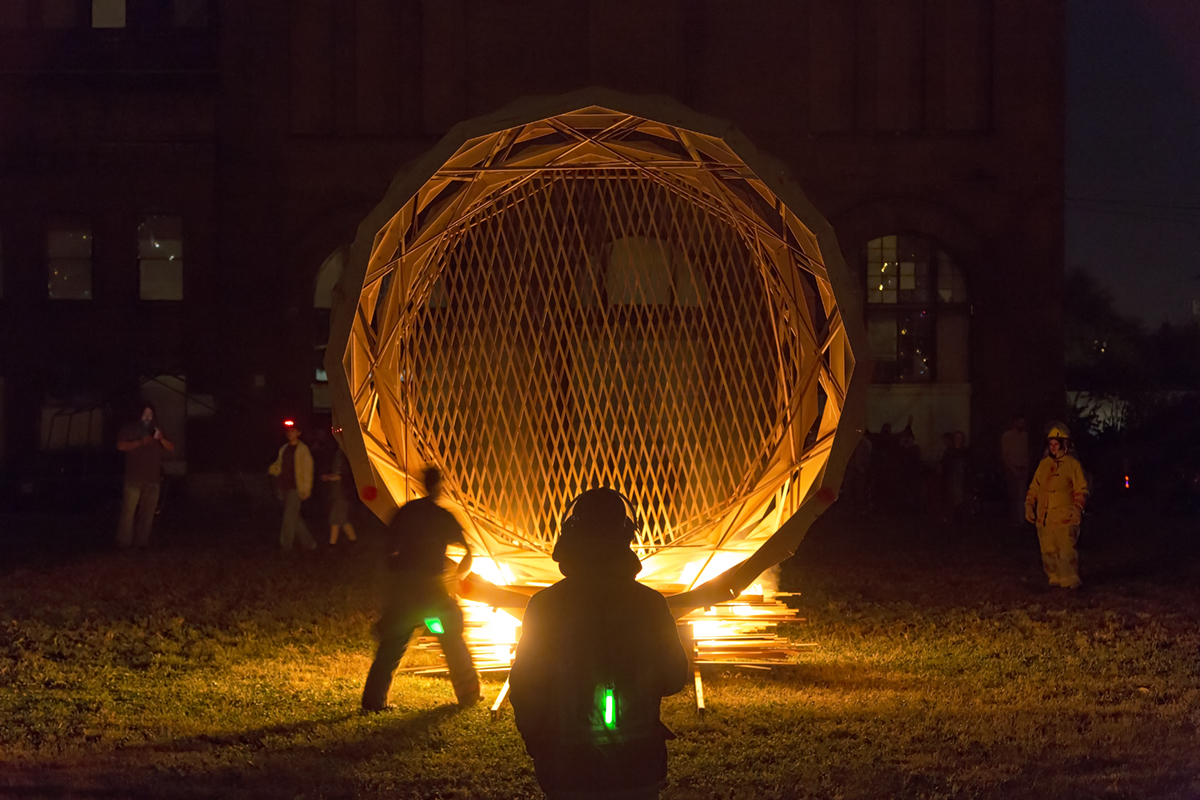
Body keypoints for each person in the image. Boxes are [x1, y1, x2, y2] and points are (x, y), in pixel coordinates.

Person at [509, 488, 689, 800]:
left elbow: (525, 685)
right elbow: (674, 676)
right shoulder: (650, 604)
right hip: (638, 769)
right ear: (626, 538)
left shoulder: (546, 605)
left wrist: (537, 742)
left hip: (568, 772)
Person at [362, 466, 480, 711]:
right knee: (450, 638)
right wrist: (457, 577)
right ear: (439, 486)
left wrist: (398, 574)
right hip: (431, 592)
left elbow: (387, 549)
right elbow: (468, 551)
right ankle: (468, 694)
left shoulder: (406, 512)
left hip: (406, 591)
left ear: (422, 483)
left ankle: (374, 701)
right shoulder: (442, 516)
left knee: (393, 642)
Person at [1025, 423, 1089, 589]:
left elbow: (1081, 489)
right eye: (1051, 444)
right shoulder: (1044, 465)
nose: (1053, 447)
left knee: (1066, 550)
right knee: (1048, 550)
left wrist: (1077, 508)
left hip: (1064, 517)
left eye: (1056, 444)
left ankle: (1070, 578)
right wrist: (1029, 506)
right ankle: (1053, 576)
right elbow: (1034, 487)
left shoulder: (1072, 465)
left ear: (1064, 445)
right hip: (1044, 518)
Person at [115, 403, 174, 549]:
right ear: (139, 414)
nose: (148, 417)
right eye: (145, 413)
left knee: (147, 514)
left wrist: (160, 438)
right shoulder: (130, 428)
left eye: (150, 414)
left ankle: (141, 544)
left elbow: (171, 447)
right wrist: (141, 442)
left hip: (153, 479)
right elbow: (120, 446)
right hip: (134, 478)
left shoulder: (157, 430)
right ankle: (124, 544)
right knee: (128, 513)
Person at [267, 419, 318, 551]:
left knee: (288, 518)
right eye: (288, 431)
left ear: (298, 433)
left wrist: (306, 489)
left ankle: (285, 546)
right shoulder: (284, 449)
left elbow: (308, 470)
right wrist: (274, 468)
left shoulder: (303, 450)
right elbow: (280, 464)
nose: (290, 434)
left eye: (293, 431)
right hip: (284, 486)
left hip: (296, 488)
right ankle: (310, 544)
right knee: (294, 516)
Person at [322, 424, 357, 546]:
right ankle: (353, 543)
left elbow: (345, 475)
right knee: (342, 520)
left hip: (342, 494)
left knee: (335, 520)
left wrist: (332, 477)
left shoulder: (346, 455)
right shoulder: (338, 453)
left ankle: (332, 546)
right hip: (338, 493)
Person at [1001, 415, 1031, 527]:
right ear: (1015, 423)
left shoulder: (1024, 436)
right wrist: (1012, 469)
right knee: (1013, 494)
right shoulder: (1007, 436)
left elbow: (1025, 453)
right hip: (1012, 467)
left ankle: (1021, 519)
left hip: (1022, 468)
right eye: (1021, 423)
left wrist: (1027, 468)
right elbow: (1005, 455)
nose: (1023, 425)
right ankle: (1014, 520)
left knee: (1022, 494)